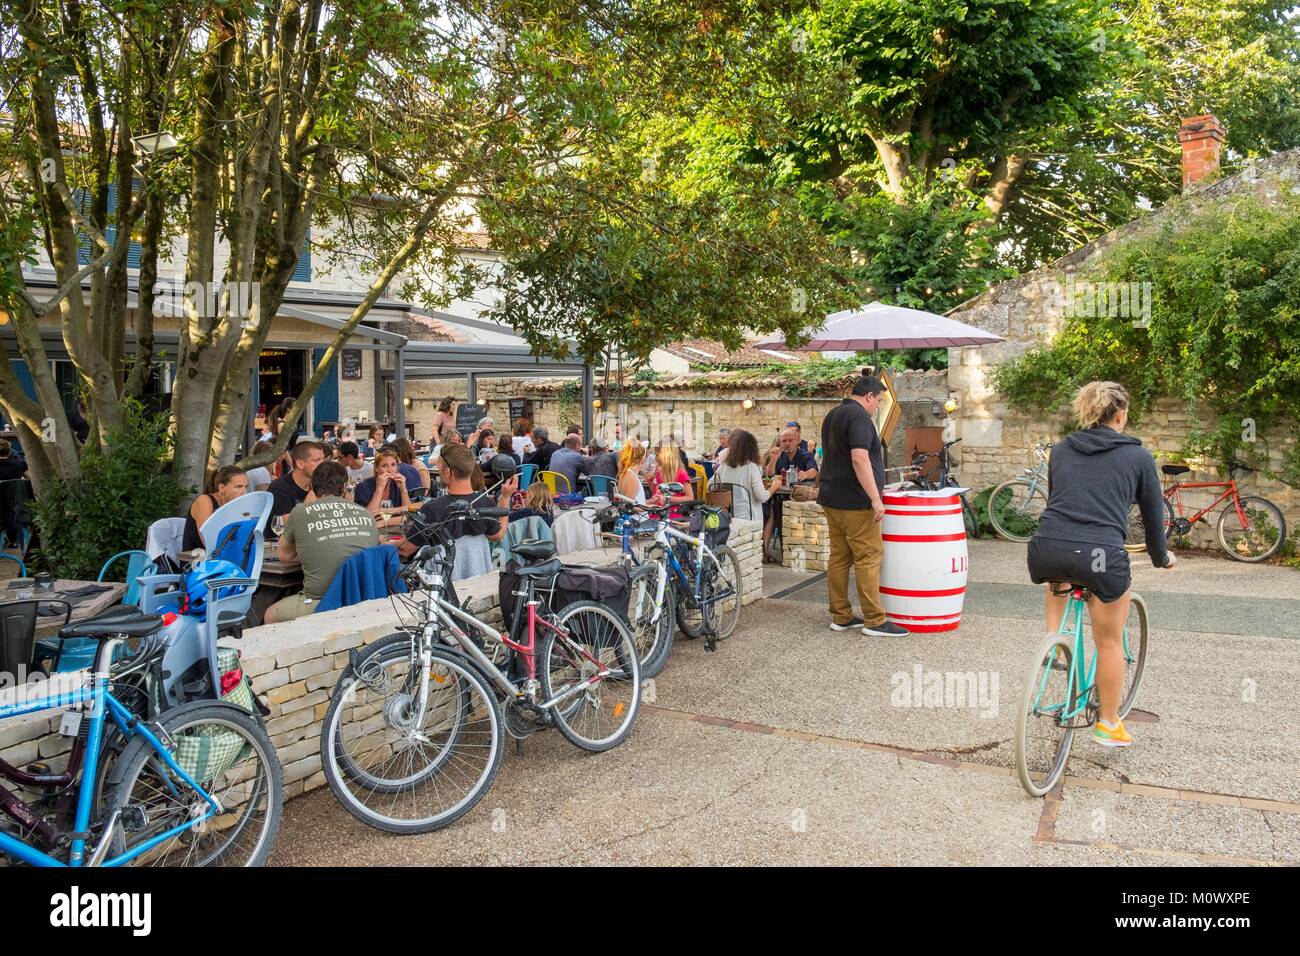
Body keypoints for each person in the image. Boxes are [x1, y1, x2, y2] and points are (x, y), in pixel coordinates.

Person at [1028, 381, 1175, 748]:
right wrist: (1161, 557)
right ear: (1121, 415)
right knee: (1109, 641)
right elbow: (1154, 518)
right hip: (1100, 556)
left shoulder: (1061, 450)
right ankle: (1108, 723)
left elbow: (1058, 497)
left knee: (1059, 575)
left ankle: (1055, 642)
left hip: (1048, 547)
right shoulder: (1138, 457)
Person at [817, 375, 907, 637]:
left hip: (831, 499)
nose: (877, 406)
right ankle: (875, 620)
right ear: (869, 396)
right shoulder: (859, 418)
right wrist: (876, 499)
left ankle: (841, 616)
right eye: (878, 401)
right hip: (856, 503)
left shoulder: (833, 415)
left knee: (839, 558)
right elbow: (859, 458)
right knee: (869, 557)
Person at [264, 461, 379, 623]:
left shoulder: (301, 512)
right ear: (344, 486)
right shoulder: (366, 513)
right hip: (364, 594)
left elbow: (284, 556)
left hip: (322, 599)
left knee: (270, 614)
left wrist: (312, 553)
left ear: (312, 485)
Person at [401, 443, 517, 562]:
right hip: (479, 576)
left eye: (439, 467)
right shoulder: (486, 503)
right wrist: (505, 496)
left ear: (447, 472)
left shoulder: (432, 509)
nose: (438, 471)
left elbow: (405, 550)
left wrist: (383, 544)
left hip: (441, 577)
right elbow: (498, 535)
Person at [712, 429, 782, 525]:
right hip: (749, 519)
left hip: (727, 517)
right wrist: (775, 486)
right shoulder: (751, 467)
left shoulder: (724, 465)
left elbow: (710, 485)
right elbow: (762, 497)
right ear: (752, 448)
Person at [182, 465, 249, 551]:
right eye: (238, 487)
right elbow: (207, 540)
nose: (244, 493)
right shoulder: (205, 501)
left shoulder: (233, 505)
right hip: (197, 560)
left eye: (245, 487)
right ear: (222, 488)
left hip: (225, 557)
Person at [268, 441, 326, 518]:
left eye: (323, 460)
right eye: (317, 460)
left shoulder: (323, 484)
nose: (323, 464)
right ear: (300, 464)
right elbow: (281, 525)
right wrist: (307, 506)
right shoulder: (279, 488)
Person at [353, 448, 411, 526]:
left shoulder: (397, 484)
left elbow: (409, 515)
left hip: (395, 528)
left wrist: (403, 490)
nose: (390, 470)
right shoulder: (363, 487)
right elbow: (366, 518)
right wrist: (379, 489)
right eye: (384, 466)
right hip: (372, 529)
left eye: (393, 465)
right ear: (376, 469)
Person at [650, 442, 692, 508]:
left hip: (675, 512)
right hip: (659, 510)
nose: (655, 458)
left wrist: (669, 499)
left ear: (666, 456)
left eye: (657, 455)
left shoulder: (681, 473)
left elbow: (690, 498)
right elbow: (657, 493)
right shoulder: (659, 472)